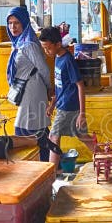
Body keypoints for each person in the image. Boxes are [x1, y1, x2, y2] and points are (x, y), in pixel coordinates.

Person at [39, 26, 97, 171]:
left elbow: (80, 86)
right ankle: (104, 155)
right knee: (83, 136)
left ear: (58, 44)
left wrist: (82, 113)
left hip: (68, 107)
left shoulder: (67, 60)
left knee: (53, 137)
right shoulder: (58, 58)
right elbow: (60, 87)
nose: (46, 52)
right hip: (62, 105)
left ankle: (51, 173)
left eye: (48, 48)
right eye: (44, 49)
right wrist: (52, 105)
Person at [6, 6, 53, 161]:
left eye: (17, 23)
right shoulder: (20, 42)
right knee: (33, 128)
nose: (13, 27)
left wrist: (49, 90)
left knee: (26, 130)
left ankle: (42, 167)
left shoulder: (29, 44)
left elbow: (44, 69)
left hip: (33, 90)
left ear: (25, 23)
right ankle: (47, 165)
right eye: (10, 23)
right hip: (27, 91)